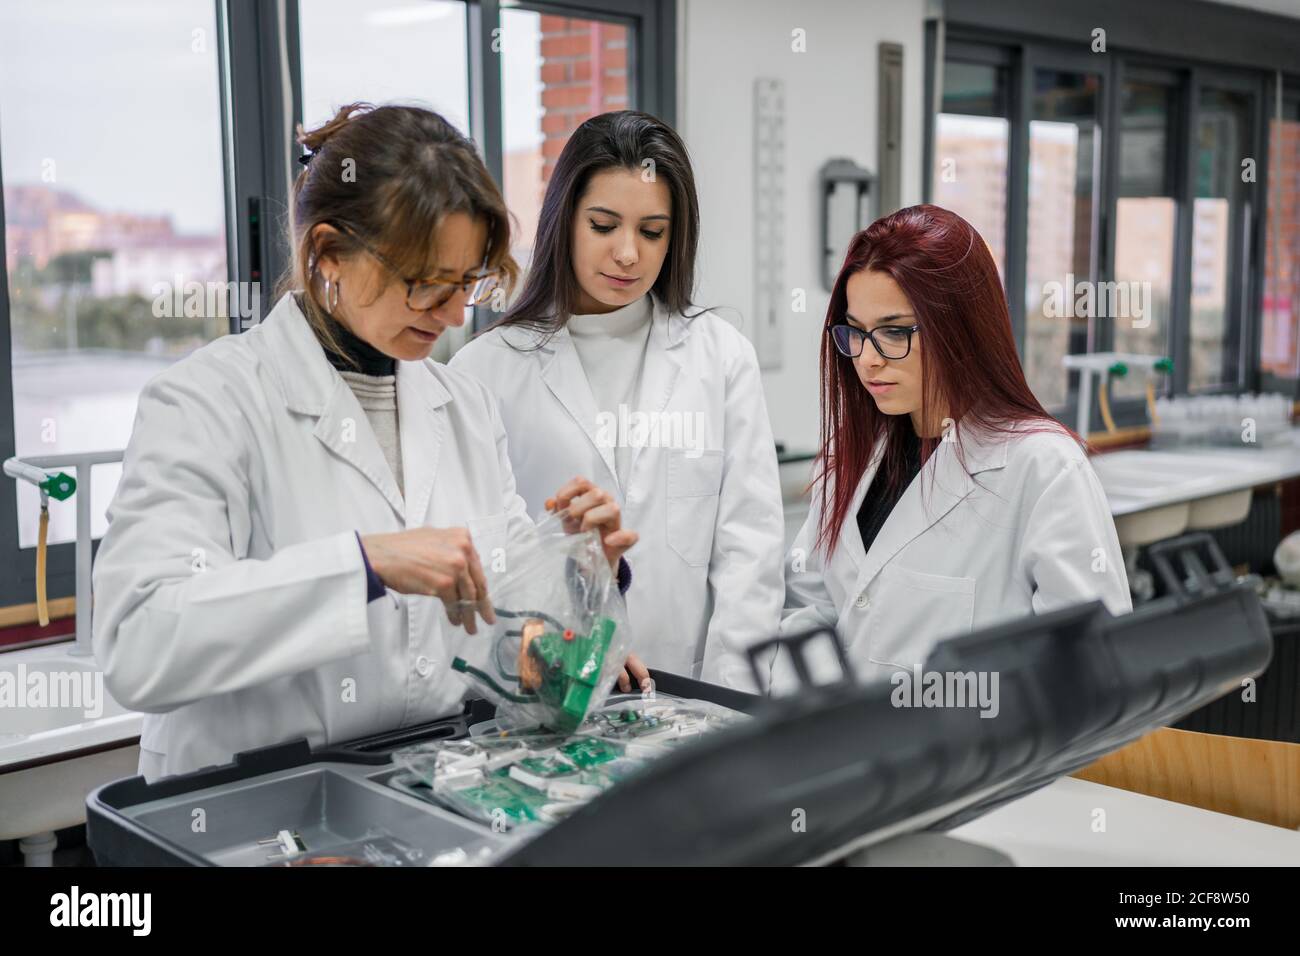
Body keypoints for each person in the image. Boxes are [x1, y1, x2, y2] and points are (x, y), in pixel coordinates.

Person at [92, 103, 642, 780]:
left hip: (422, 791)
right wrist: (362, 567)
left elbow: (507, 645)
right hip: (254, 813)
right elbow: (138, 644)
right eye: (424, 284)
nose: (449, 314)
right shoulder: (208, 401)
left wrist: (581, 573)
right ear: (328, 253)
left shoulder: (463, 405)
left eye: (466, 283)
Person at [451, 111, 784, 689]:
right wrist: (539, 675)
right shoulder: (485, 370)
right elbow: (484, 563)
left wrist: (732, 706)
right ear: (563, 222)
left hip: (695, 698)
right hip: (546, 697)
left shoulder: (721, 356)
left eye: (652, 231)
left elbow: (749, 553)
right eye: (604, 225)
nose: (628, 253)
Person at [777, 204, 1131, 690]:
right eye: (855, 333)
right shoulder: (853, 457)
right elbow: (810, 604)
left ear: (959, 328)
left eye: (895, 332)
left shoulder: (1042, 467)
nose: (867, 360)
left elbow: (1090, 661)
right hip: (847, 751)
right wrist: (823, 708)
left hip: (979, 759)